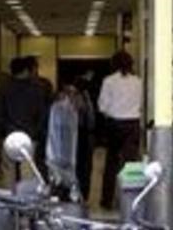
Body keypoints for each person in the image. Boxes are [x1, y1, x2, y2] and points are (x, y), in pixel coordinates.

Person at [98, 51, 142, 210]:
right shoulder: (138, 82)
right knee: (131, 163)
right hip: (133, 124)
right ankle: (132, 200)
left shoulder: (109, 81)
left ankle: (107, 200)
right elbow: (142, 103)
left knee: (111, 163)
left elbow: (102, 106)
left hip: (115, 124)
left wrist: (112, 111)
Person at [0, 57, 51, 179]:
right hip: (30, 135)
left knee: (8, 171)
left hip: (9, 135)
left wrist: (5, 130)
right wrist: (36, 132)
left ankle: (8, 196)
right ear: (26, 70)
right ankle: (26, 196)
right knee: (27, 171)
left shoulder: (4, 88)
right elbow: (42, 114)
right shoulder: (37, 89)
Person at [45, 81, 82, 201]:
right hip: (58, 153)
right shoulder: (57, 108)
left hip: (68, 153)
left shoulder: (74, 110)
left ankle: (69, 195)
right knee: (58, 179)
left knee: (67, 177)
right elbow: (53, 132)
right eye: (68, 93)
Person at [73, 72, 97, 204]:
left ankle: (82, 192)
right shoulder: (82, 97)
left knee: (82, 165)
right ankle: (82, 193)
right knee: (83, 166)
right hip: (83, 134)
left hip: (82, 134)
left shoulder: (81, 97)